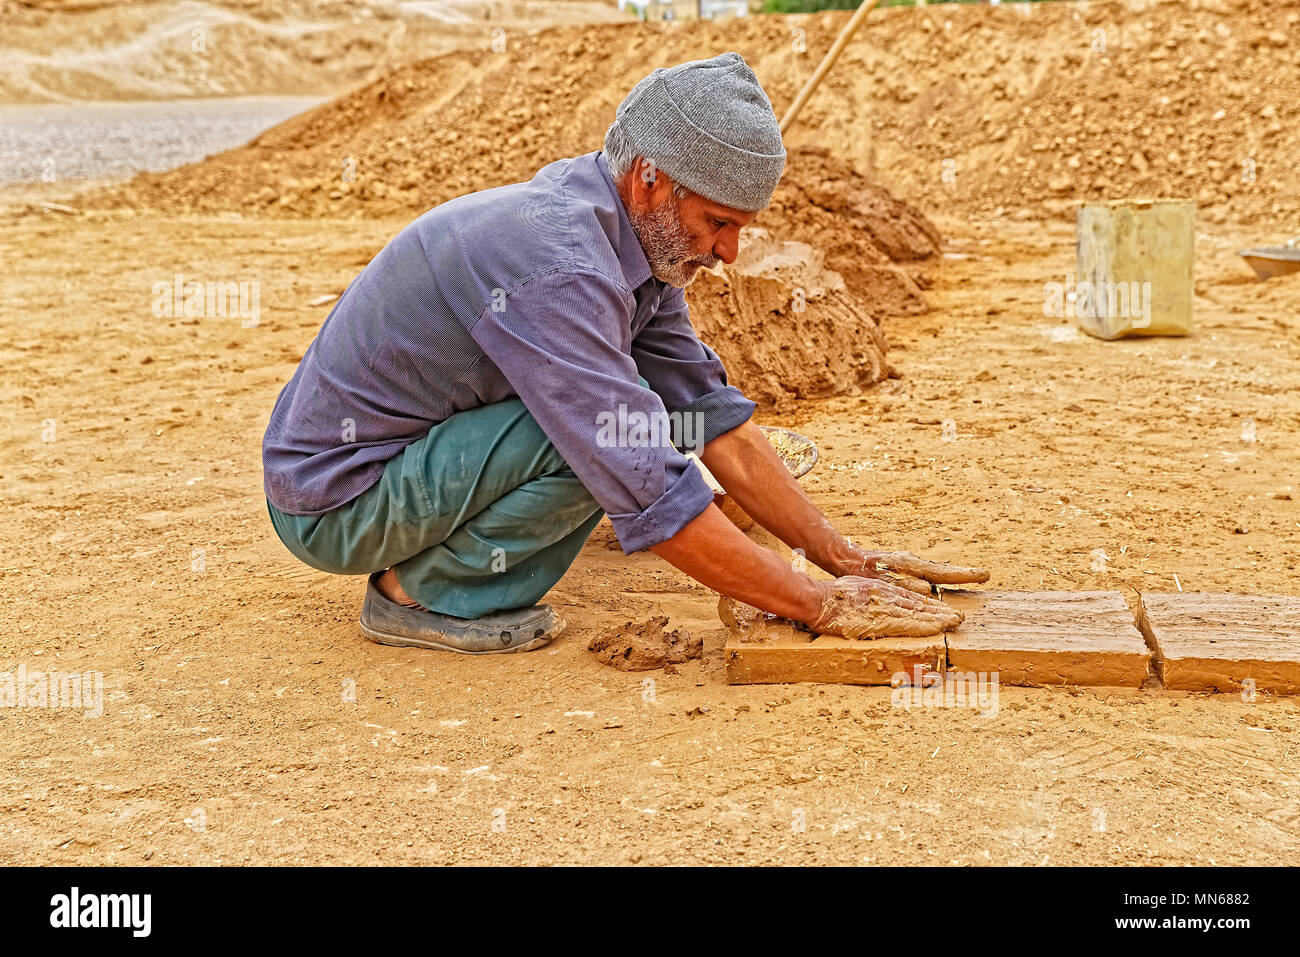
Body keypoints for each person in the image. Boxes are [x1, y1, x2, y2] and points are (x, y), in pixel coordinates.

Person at [262, 52, 986, 655]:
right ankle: (418, 593)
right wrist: (817, 604)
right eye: (719, 222)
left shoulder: (634, 243)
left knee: (648, 419)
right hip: (336, 498)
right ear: (650, 178)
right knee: (609, 434)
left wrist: (844, 557)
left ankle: (438, 565)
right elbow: (643, 478)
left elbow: (713, 422)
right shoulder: (562, 263)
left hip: (401, 459)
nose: (730, 253)